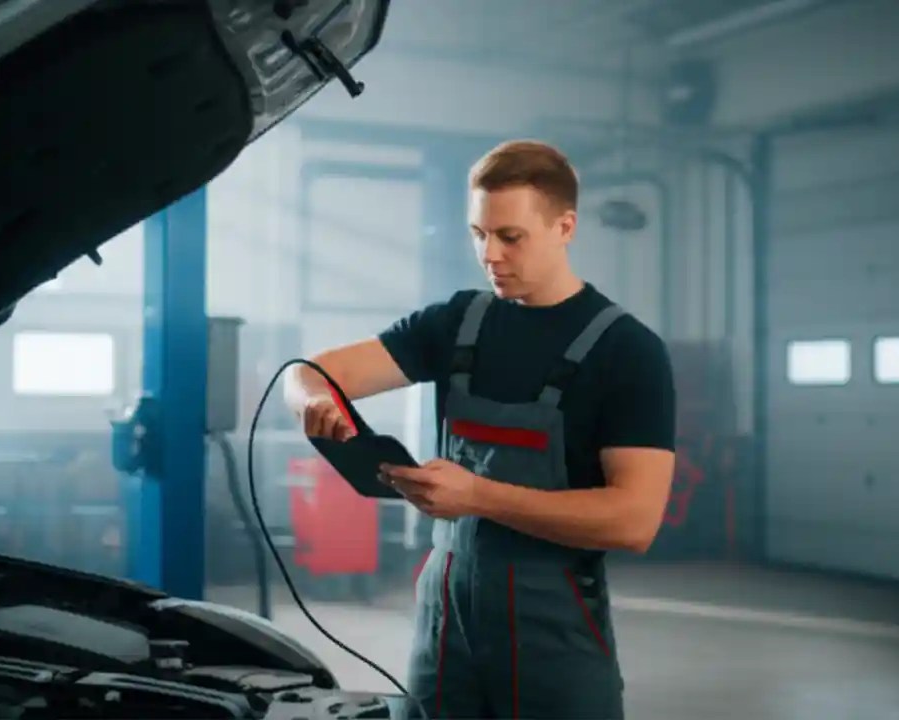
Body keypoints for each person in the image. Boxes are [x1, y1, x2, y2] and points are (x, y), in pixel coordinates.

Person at [283, 139, 677, 719]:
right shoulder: (455, 324)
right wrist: (314, 400)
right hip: (445, 617)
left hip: (554, 629)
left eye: (510, 236)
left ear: (565, 227)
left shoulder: (627, 351)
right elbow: (305, 372)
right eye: (478, 234)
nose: (490, 254)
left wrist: (477, 496)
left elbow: (634, 520)